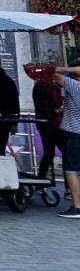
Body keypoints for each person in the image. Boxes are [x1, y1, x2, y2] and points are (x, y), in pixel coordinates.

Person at [51, 65, 80, 218]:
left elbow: (52, 72)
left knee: (71, 170)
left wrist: (72, 69)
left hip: (74, 133)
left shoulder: (75, 86)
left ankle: (77, 206)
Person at [30, 64, 63, 179]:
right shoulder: (54, 87)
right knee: (67, 152)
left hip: (42, 123)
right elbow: (56, 109)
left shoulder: (38, 85)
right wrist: (67, 106)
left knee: (48, 153)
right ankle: (70, 182)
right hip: (54, 123)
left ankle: (41, 179)